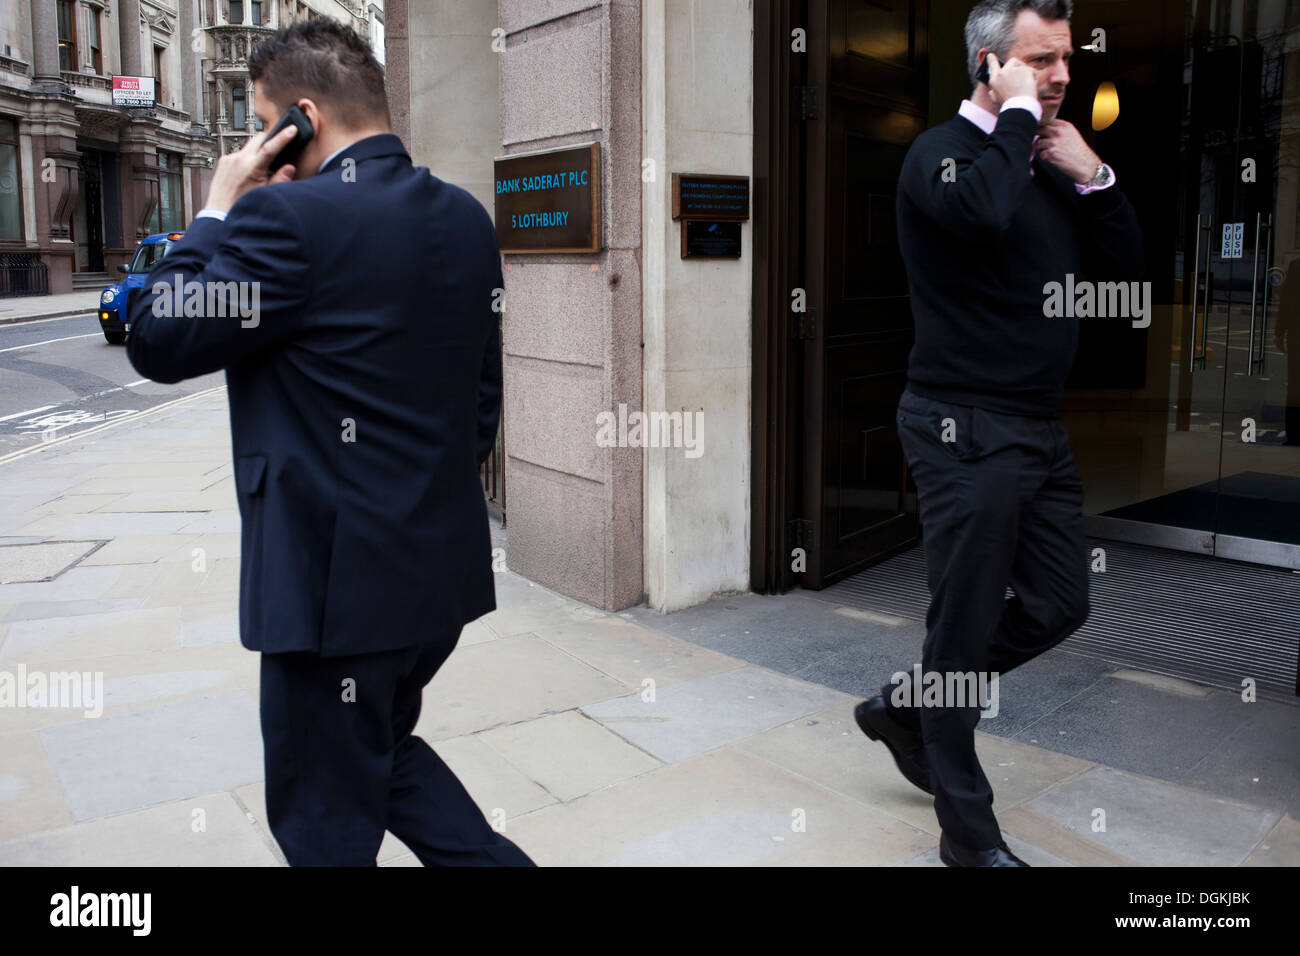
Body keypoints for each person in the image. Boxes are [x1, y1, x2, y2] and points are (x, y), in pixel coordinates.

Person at [127, 19, 533, 867]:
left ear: (300, 118)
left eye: (262, 122)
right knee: (377, 754)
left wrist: (215, 208)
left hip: (332, 598)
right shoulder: (465, 218)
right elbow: (480, 403)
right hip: (435, 577)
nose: (257, 143)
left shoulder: (284, 218)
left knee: (322, 821)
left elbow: (159, 336)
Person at [852, 0, 1143, 866]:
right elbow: (979, 213)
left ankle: (906, 708)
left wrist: (1095, 177)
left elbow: (1126, 279)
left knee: (1060, 603)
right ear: (989, 63)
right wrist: (1016, 119)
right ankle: (968, 838)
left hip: (1036, 429)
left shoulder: (1048, 159)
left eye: (1065, 59)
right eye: (1040, 60)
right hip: (960, 429)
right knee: (962, 630)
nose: (1061, 76)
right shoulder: (940, 155)